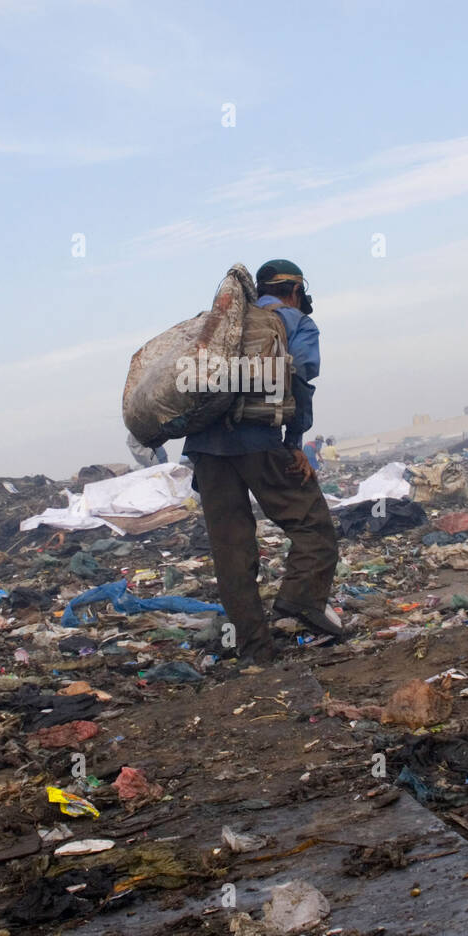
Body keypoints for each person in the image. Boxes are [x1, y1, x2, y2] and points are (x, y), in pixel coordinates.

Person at [182, 259, 340, 664]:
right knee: (313, 526)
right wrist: (294, 443)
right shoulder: (292, 320)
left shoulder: (220, 323)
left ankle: (256, 651)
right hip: (259, 441)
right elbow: (300, 378)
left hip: (206, 450)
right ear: (295, 290)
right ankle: (299, 599)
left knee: (232, 552)